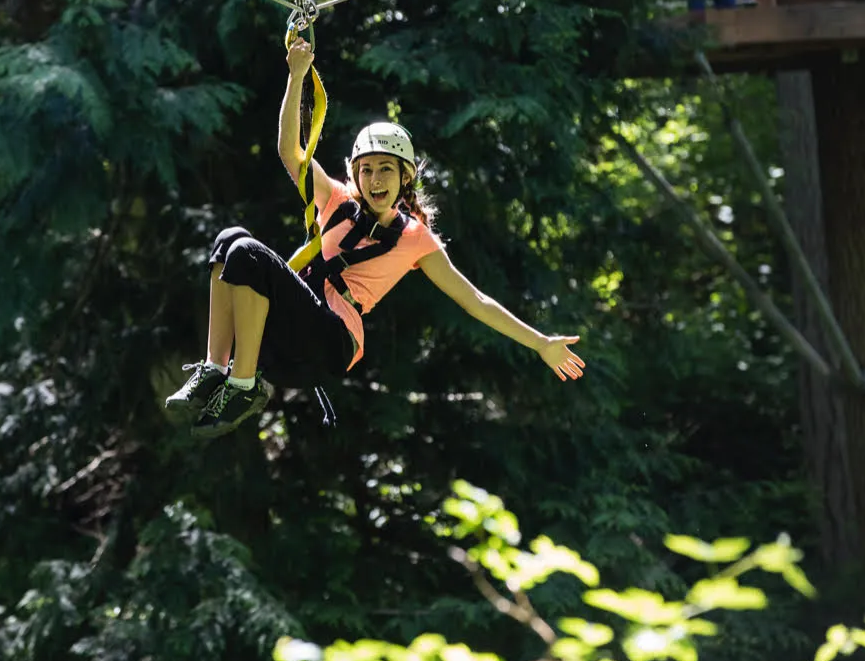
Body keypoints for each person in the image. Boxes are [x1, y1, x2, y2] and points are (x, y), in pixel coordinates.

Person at [164, 38, 586, 440]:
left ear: (406, 177)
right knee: (230, 241)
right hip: (287, 336)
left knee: (246, 251)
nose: (375, 179)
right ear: (354, 175)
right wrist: (297, 75)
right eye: (366, 170)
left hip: (331, 342)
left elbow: (474, 300)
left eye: (386, 169)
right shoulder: (335, 200)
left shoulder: (415, 239)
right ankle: (217, 370)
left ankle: (242, 386)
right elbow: (288, 152)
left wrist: (540, 343)